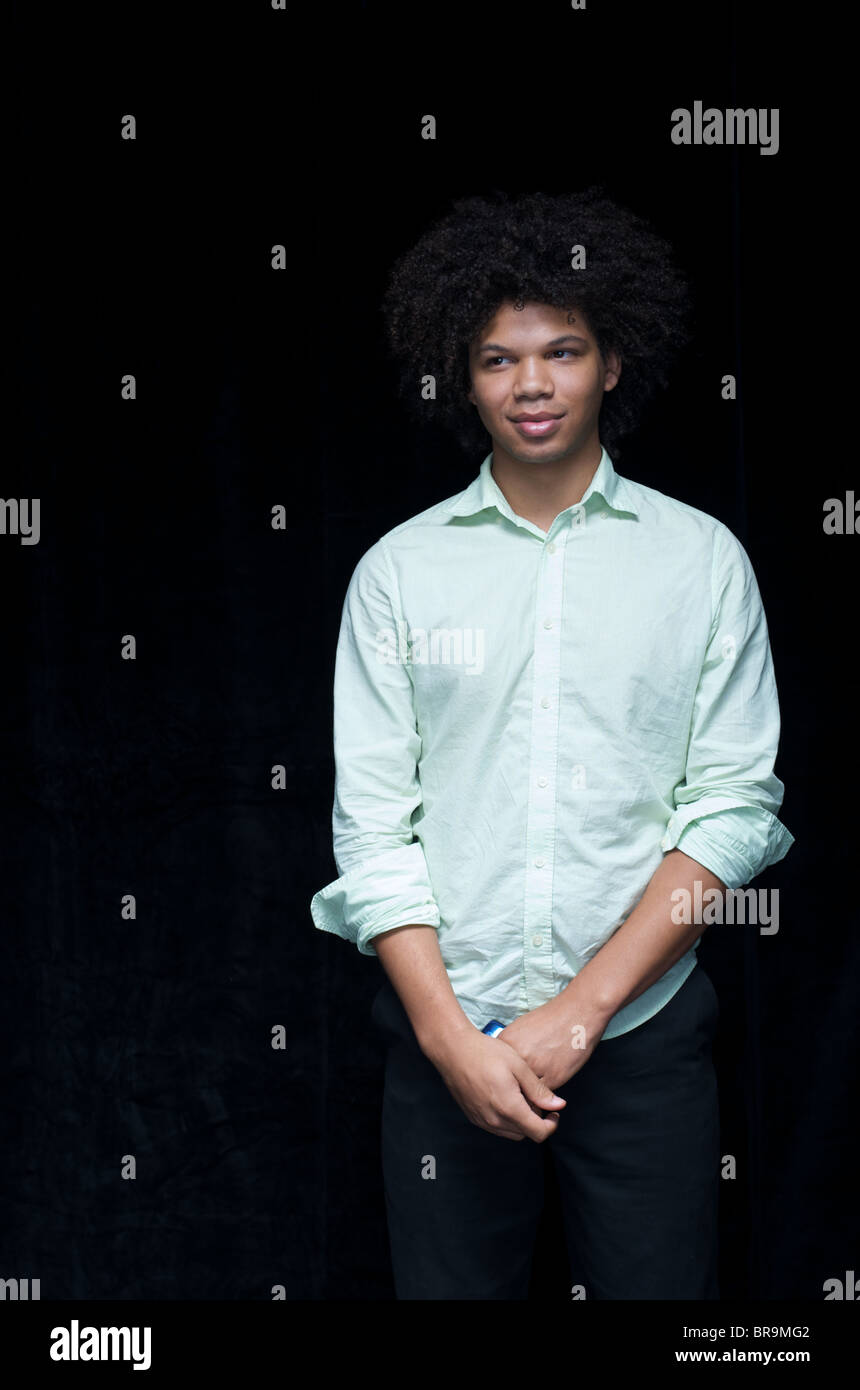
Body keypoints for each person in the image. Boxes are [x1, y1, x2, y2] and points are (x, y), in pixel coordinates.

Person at [310, 187, 794, 1299]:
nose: (530, 384)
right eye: (496, 359)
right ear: (461, 376)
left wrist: (582, 1014)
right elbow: (373, 827)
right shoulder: (397, 572)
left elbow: (730, 809)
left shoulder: (700, 561)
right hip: (444, 1047)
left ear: (610, 364)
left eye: (561, 351)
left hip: (644, 1050)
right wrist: (450, 1043)